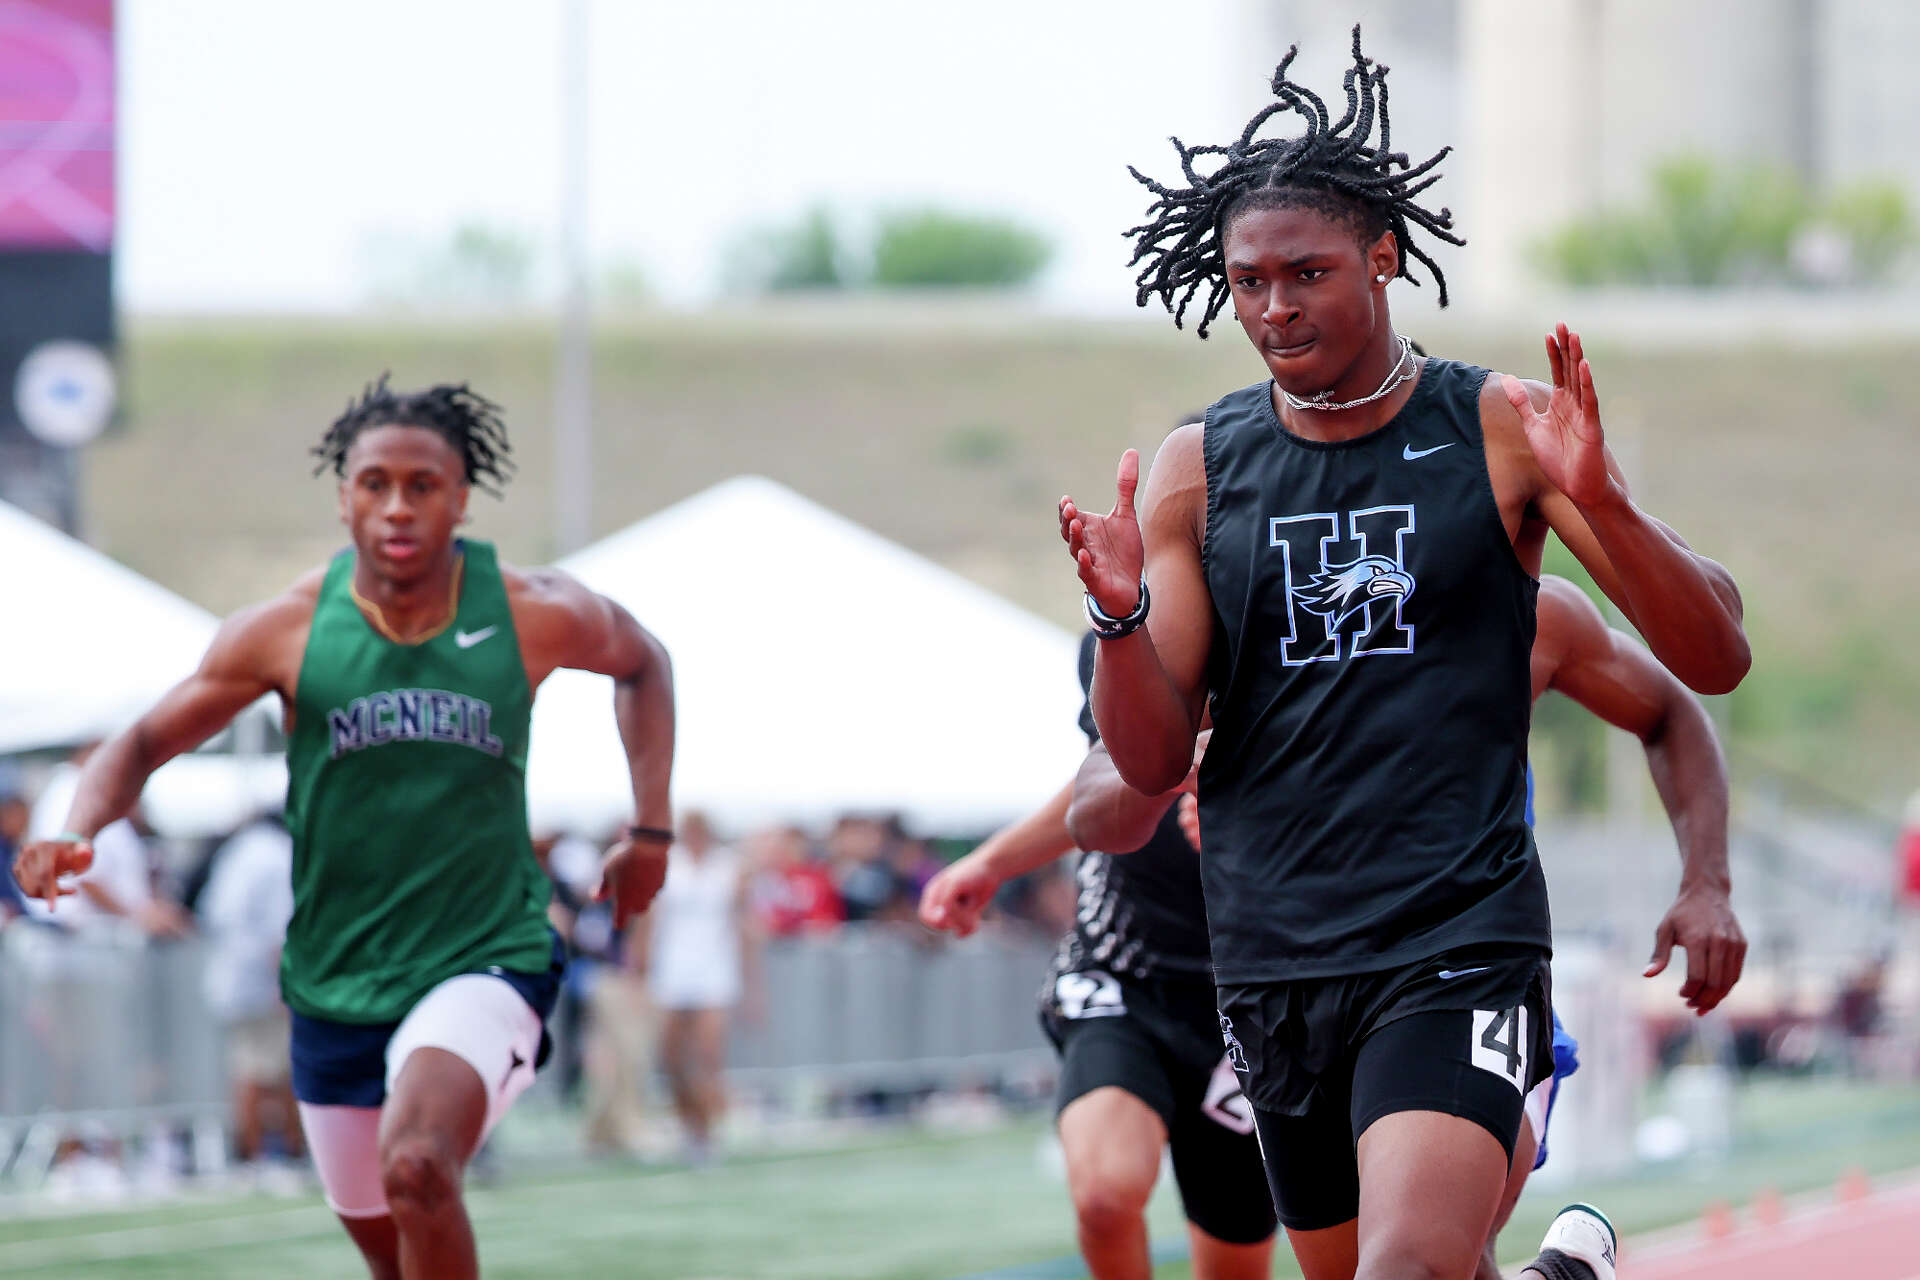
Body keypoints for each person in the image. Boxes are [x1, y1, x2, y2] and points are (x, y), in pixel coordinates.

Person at [1058, 30, 1747, 1280]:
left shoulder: (1500, 430)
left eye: (1307, 273)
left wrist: (1613, 506)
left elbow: (1711, 658)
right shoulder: (1195, 470)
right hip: (1272, 958)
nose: (1274, 307)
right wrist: (1118, 620)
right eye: (1249, 281)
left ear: (1384, 257)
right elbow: (1147, 765)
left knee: (1408, 1270)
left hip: (1454, 934)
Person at [13, 377, 676, 1280]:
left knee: (417, 1167)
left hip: (485, 952)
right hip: (336, 977)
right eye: (375, 484)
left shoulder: (529, 612)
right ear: (344, 497)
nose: (397, 506)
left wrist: (650, 831)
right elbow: (140, 741)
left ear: (461, 498)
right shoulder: (286, 633)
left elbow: (644, 663)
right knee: (392, 1248)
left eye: (422, 485)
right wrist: (79, 824)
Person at [922, 631, 1275, 1280]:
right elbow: (1101, 778)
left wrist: (1259, 816)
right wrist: (994, 862)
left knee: (1236, 1264)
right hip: (1122, 971)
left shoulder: (1293, 622)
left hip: (1256, 992)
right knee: (1106, 1193)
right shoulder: (1130, 633)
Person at [638, 810, 758, 1164]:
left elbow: (743, 924)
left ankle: (707, 1133)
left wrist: (752, 984)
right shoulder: (669, 865)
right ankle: (689, 1124)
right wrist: (641, 964)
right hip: (672, 970)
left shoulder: (729, 867)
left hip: (715, 970)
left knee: (708, 1055)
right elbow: (650, 918)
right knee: (673, 1058)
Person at [197, 811, 303, 1168]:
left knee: (250, 1067)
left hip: (231, 974)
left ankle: (254, 1154)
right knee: (270, 1069)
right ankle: (273, 1154)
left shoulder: (237, 851)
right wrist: (286, 985)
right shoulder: (276, 855)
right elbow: (278, 930)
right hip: (260, 980)